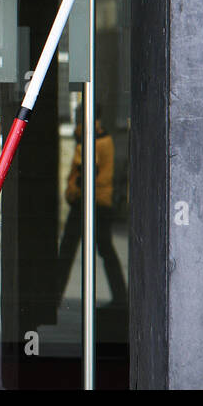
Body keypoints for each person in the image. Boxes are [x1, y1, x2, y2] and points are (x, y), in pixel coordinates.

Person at [55, 106, 127, 308]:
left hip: (87, 202)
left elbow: (84, 173)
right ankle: (120, 295)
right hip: (100, 201)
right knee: (105, 249)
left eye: (78, 117)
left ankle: (54, 298)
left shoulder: (91, 140)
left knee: (68, 251)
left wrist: (72, 193)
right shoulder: (103, 139)